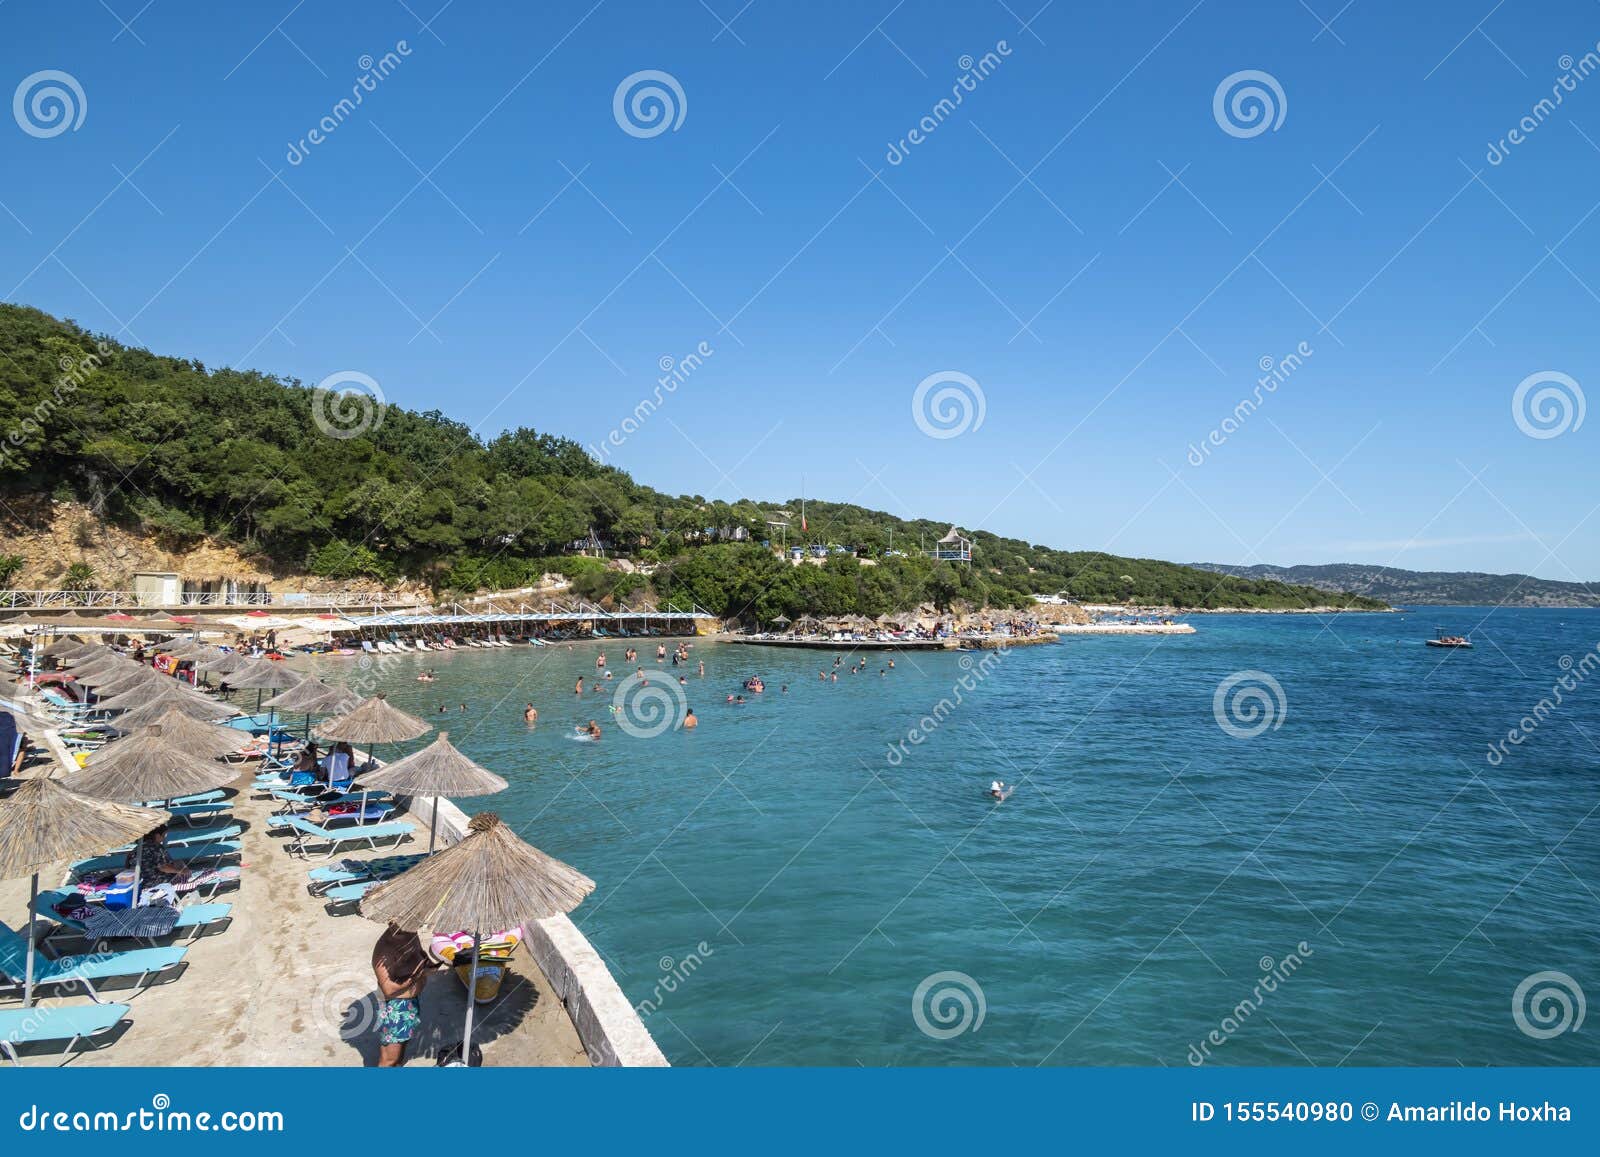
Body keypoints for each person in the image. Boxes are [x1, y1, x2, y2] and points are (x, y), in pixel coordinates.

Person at [372, 923, 430, 1067]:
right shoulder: (385, 948)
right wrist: (416, 977)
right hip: (395, 1008)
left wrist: (427, 964)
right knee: (389, 1059)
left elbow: (419, 955)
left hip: (410, 1004)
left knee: (399, 1054)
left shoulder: (411, 934)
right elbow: (388, 989)